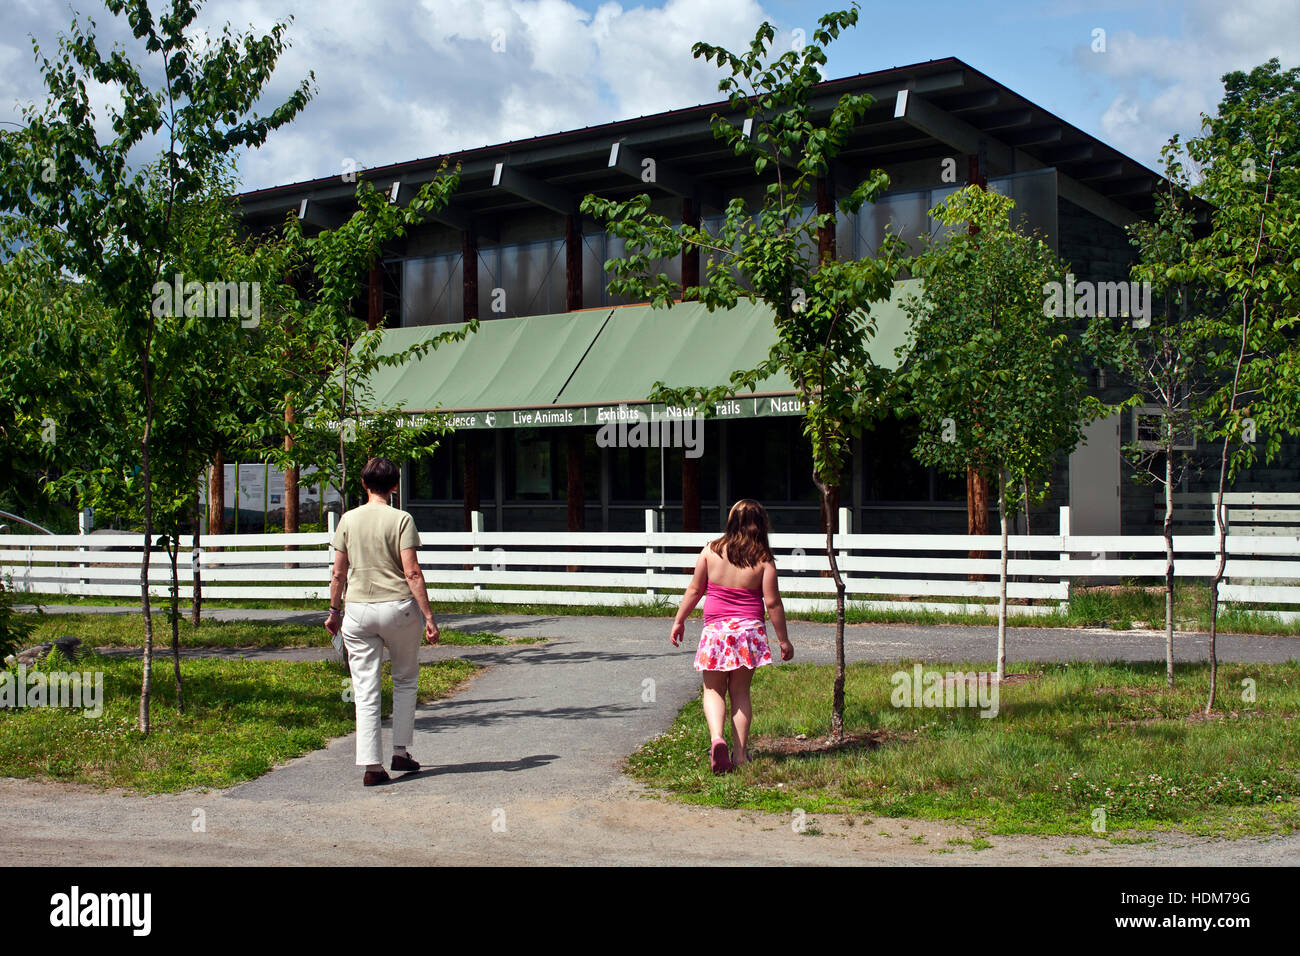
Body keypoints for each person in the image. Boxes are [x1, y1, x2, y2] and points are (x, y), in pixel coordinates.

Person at [324, 457, 440, 787]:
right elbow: (412, 572)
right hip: (398, 609)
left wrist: (334, 612)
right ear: (394, 486)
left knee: (365, 688)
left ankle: (371, 765)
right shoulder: (401, 519)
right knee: (404, 678)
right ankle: (400, 751)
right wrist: (429, 617)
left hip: (358, 611)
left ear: (363, 484)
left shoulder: (348, 519)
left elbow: (338, 573)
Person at [670, 499, 793, 774]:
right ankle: (739, 755)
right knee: (740, 692)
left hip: (716, 632)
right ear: (761, 524)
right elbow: (773, 603)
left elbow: (694, 590)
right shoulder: (763, 559)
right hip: (748, 633)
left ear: (730, 521)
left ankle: (717, 739)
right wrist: (783, 640)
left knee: (713, 690)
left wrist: (679, 621)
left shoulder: (710, 551)